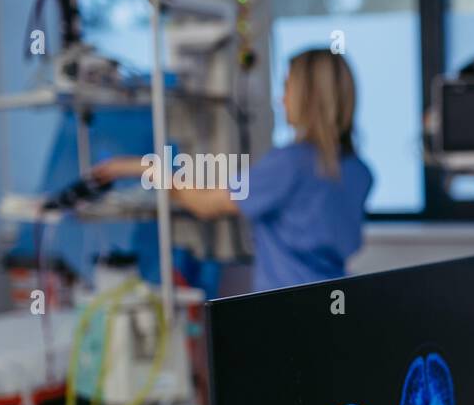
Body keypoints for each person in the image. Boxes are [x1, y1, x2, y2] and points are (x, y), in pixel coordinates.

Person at [93, 48, 373, 293]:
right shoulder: (359, 172)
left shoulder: (289, 165)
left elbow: (206, 204)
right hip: (338, 300)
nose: (281, 99)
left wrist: (143, 167)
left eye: (287, 88)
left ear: (308, 97)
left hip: (290, 309)